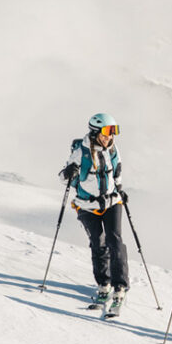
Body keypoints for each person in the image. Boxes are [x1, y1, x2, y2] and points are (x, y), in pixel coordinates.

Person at [59, 113, 129, 311]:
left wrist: (120, 188)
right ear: (96, 131)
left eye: (113, 132)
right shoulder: (81, 152)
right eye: (107, 131)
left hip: (111, 202)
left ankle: (120, 286)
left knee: (115, 241)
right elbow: (63, 179)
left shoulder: (113, 149)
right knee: (98, 244)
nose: (110, 136)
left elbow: (117, 172)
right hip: (88, 206)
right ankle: (104, 284)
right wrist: (69, 172)